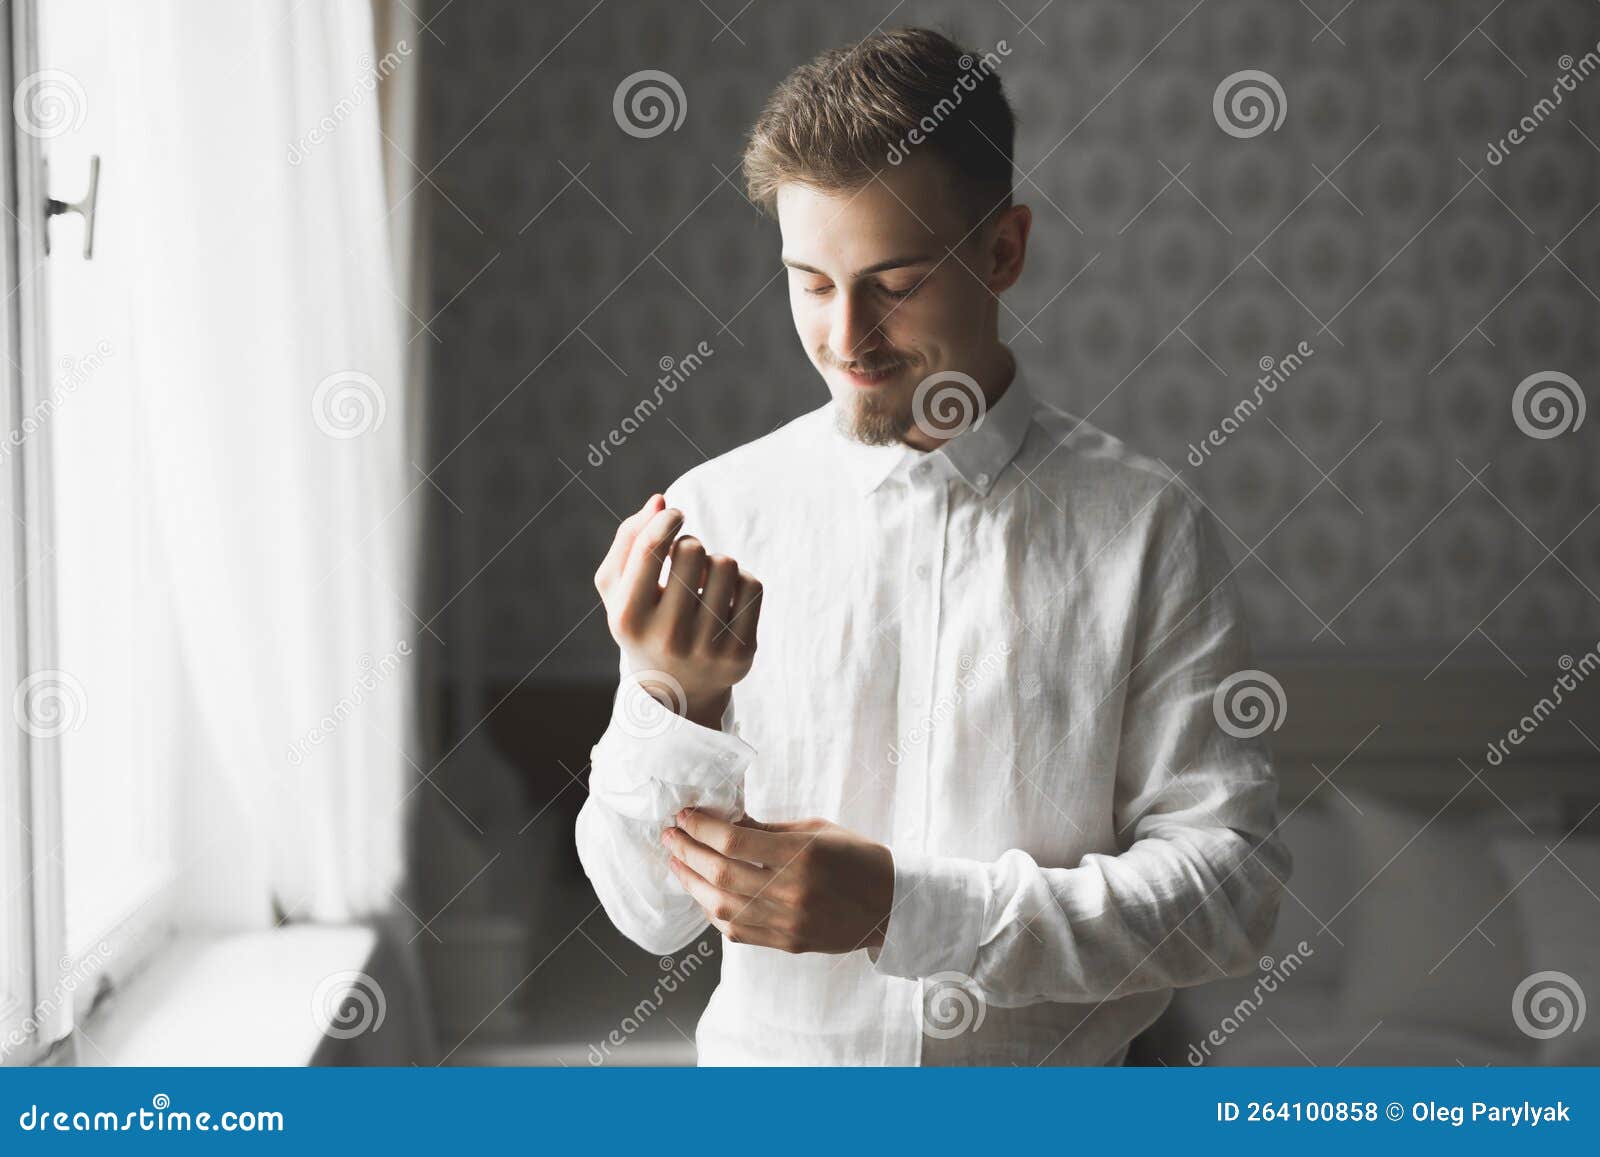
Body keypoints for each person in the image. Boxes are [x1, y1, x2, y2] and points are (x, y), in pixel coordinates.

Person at [577, 26, 1290, 1066]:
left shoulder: (1143, 528)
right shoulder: (715, 515)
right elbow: (648, 914)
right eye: (812, 284)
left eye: (895, 282)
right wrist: (668, 700)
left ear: (1003, 250)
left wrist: (906, 907)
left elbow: (1232, 895)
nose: (847, 338)